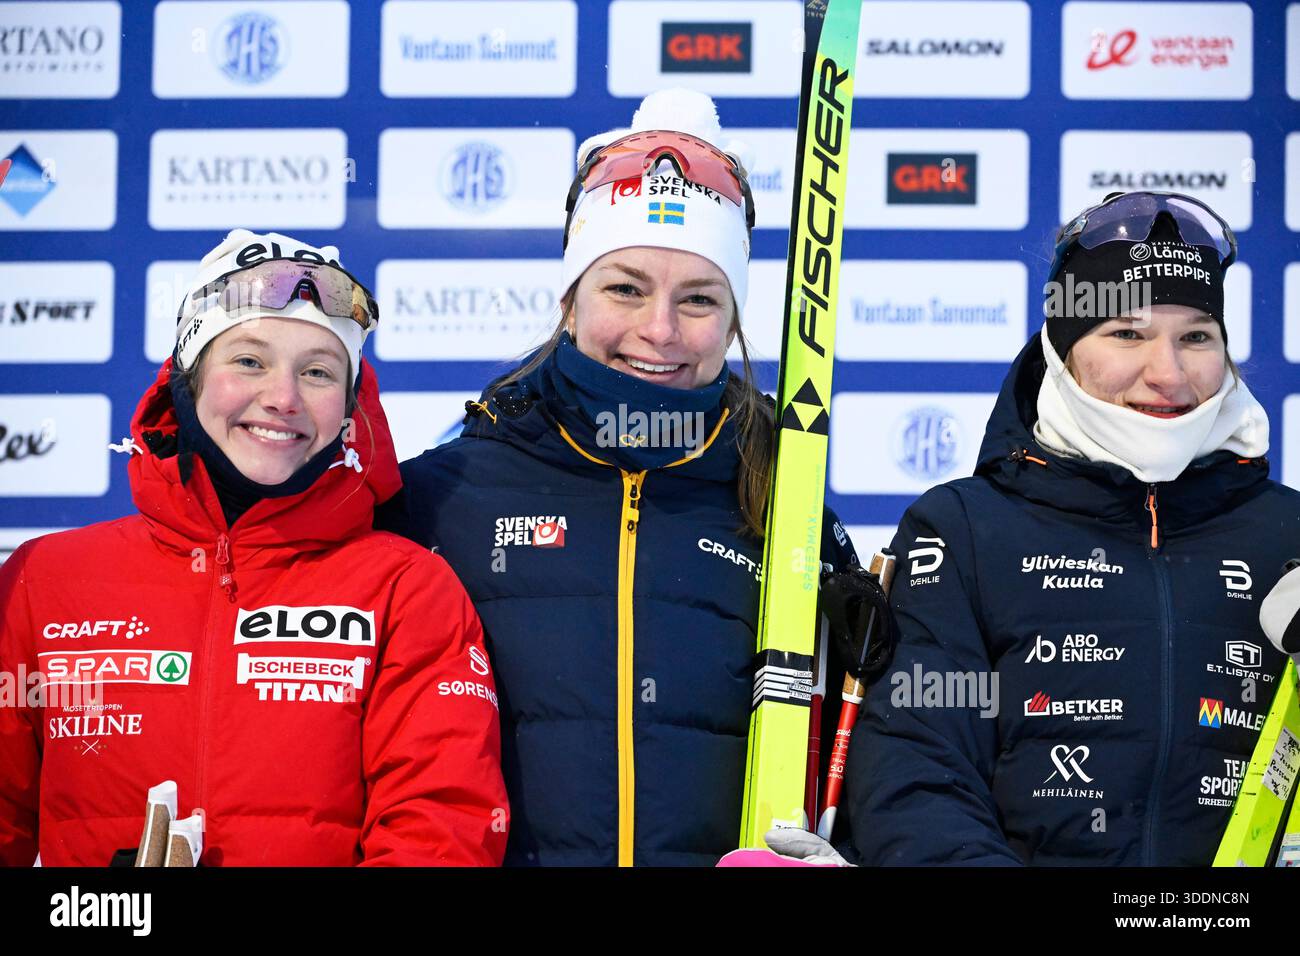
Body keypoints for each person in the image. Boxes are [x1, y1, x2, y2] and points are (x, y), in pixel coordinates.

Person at [380, 90, 856, 866]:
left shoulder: (788, 509)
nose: (659, 330)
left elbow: (858, 764)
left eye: (699, 299)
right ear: (570, 297)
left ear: (733, 320)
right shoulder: (441, 502)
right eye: (625, 288)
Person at [0, 230, 508, 866]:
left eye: (318, 372)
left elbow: (442, 829)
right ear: (187, 379)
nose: (283, 398)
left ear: (351, 408)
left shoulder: (405, 586)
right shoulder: (42, 580)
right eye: (248, 360)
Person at [848, 192, 1300, 865]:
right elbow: (920, 781)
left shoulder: (1286, 535)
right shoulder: (963, 531)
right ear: (1063, 348)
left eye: (1196, 337)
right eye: (1127, 333)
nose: (1168, 373)